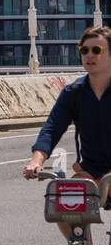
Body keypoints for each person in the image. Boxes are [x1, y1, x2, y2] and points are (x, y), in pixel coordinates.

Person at [24, 27, 111, 204]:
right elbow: (52, 128)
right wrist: (36, 160)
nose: (89, 55)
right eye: (84, 50)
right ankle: (79, 234)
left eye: (97, 50)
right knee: (63, 202)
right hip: (91, 171)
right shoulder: (73, 93)